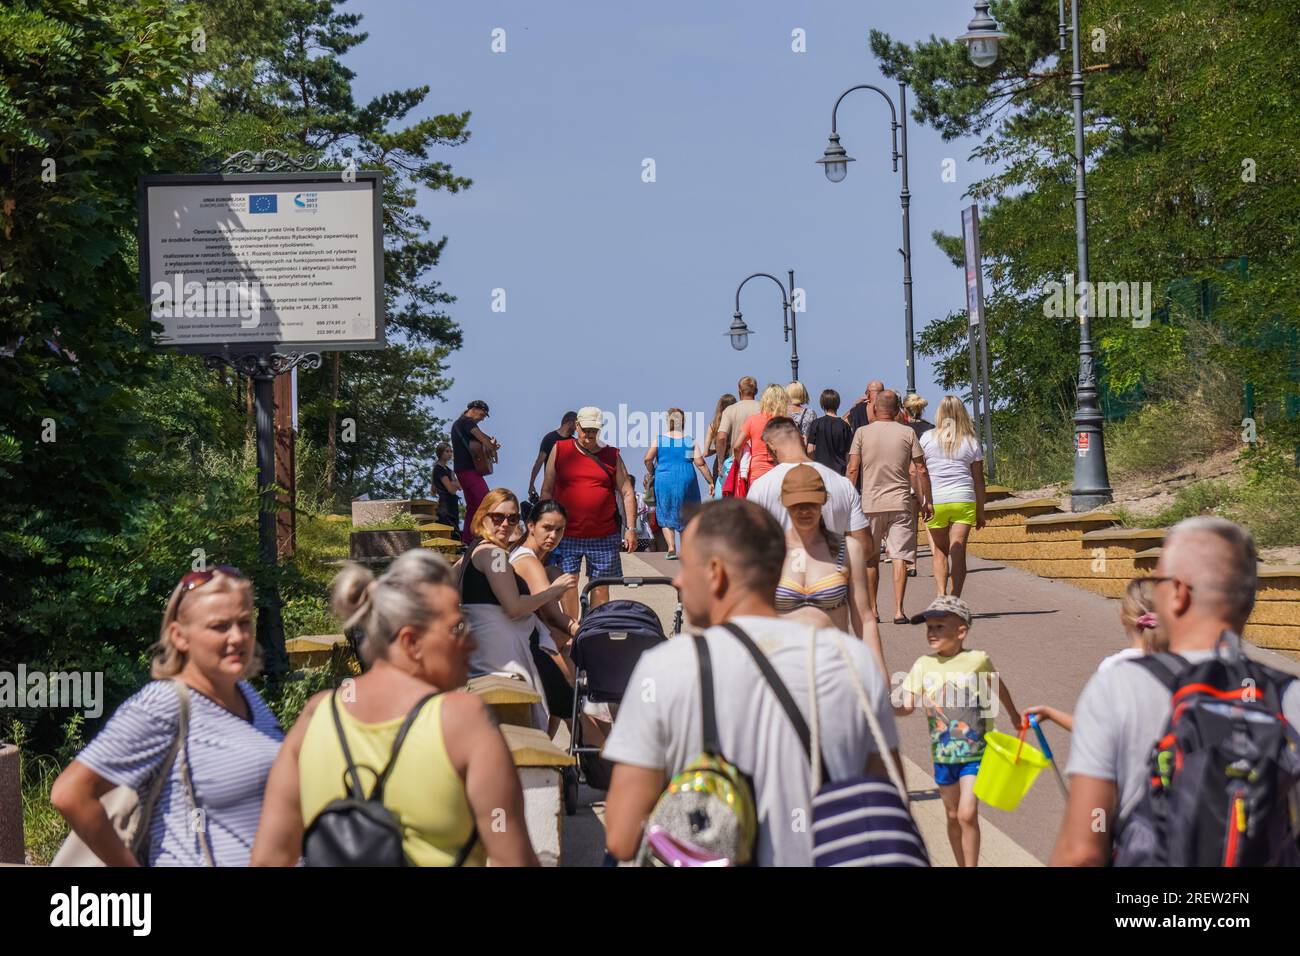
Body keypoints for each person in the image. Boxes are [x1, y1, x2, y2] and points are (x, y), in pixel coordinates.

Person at [602, 499, 903, 867]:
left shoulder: (665, 667)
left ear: (715, 572)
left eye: (685, 566)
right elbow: (889, 797)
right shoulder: (852, 660)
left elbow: (621, 836)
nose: (678, 580)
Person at [251, 549, 538, 867]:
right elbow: (513, 858)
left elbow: (270, 857)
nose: (471, 641)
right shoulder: (462, 719)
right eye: (458, 628)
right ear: (410, 642)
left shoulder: (316, 716)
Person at [1051, 518, 1300, 866]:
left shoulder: (1119, 685)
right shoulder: (1290, 696)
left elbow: (1083, 848)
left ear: (1179, 593)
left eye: (1158, 581)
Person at [52, 566, 283, 866]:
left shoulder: (247, 695)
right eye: (219, 626)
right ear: (180, 636)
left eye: (244, 622)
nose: (238, 637)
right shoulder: (165, 704)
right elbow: (70, 793)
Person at [894, 596, 1023, 868]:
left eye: (940, 627)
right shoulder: (923, 665)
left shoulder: (977, 660)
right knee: (952, 816)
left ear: (961, 631)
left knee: (967, 813)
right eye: (929, 627)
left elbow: (998, 686)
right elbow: (906, 707)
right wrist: (883, 707)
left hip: (977, 753)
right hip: (943, 755)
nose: (932, 632)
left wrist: (1013, 714)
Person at [459, 488, 577, 729]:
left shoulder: (473, 550)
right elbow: (514, 607)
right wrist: (552, 592)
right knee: (570, 705)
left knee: (564, 702)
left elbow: (445, 582)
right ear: (482, 516)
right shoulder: (496, 555)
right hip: (504, 654)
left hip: (483, 650)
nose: (506, 524)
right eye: (498, 517)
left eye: (513, 519)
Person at [775, 464, 884, 676]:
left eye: (811, 503)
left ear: (824, 499)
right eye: (797, 504)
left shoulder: (849, 550)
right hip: (783, 675)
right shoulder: (769, 552)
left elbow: (865, 619)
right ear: (784, 503)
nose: (804, 510)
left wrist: (879, 676)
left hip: (835, 670)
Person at [1025, 578, 1165, 732]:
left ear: (1122, 616)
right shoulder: (1184, 665)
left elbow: (1092, 729)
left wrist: (1049, 713)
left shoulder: (1114, 668)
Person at [541, 405, 637, 617]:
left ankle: (596, 628)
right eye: (585, 430)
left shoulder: (612, 455)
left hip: (603, 534)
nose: (589, 435)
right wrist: (543, 526)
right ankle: (573, 630)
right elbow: (547, 490)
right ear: (576, 427)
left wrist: (631, 528)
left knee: (601, 586)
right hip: (566, 533)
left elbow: (627, 492)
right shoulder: (560, 449)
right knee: (567, 584)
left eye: (594, 430)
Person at [847, 390, 934, 624]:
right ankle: (898, 610)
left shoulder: (862, 433)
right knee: (900, 556)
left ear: (875, 409)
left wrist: (847, 498)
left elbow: (853, 468)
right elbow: (920, 469)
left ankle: (873, 610)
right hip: (901, 502)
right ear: (898, 410)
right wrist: (927, 500)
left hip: (870, 503)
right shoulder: (907, 432)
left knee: (871, 558)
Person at [509, 500, 581, 732]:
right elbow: (551, 616)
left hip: (534, 637)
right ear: (531, 526)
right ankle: (591, 757)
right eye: (547, 528)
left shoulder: (542, 562)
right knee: (573, 692)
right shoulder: (529, 561)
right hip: (525, 643)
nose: (553, 536)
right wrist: (579, 631)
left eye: (559, 530)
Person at [919, 396, 986, 598]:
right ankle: (955, 596)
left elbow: (920, 471)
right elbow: (979, 480)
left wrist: (923, 501)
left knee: (939, 551)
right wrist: (980, 511)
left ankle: (941, 595)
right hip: (963, 499)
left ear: (939, 413)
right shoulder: (971, 441)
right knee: (958, 550)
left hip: (936, 499)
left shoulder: (927, 438)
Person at [643, 408, 711, 559]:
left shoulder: (660, 440)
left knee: (665, 510)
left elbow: (648, 458)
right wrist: (710, 481)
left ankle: (671, 546)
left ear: (669, 421)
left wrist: (653, 470)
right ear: (683, 422)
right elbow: (700, 463)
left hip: (664, 477)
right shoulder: (689, 441)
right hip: (686, 477)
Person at [450, 399, 500, 543]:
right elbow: (483, 440)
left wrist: (490, 447)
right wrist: (492, 446)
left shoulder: (459, 424)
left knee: (473, 507)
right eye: (483, 414)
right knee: (487, 501)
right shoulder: (467, 422)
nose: (483, 418)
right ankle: (487, 537)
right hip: (469, 471)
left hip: (461, 471)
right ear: (474, 409)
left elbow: (478, 446)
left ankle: (467, 539)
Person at [732, 382, 789, 489]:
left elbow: (737, 446)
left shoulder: (753, 420)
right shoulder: (787, 422)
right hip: (780, 472)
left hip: (757, 473)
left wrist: (742, 463)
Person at [712, 377, 760, 494]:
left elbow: (721, 437)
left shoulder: (730, 410)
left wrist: (720, 461)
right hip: (758, 464)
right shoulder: (763, 408)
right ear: (756, 391)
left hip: (736, 464)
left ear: (739, 391)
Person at [527, 411, 577, 501]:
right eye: (576, 424)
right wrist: (531, 484)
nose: (577, 428)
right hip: (551, 489)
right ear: (570, 422)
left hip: (569, 490)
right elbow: (539, 462)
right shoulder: (550, 438)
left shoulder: (575, 442)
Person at [806, 388, 854, 476]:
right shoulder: (845, 426)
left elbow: (810, 450)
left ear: (822, 404)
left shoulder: (816, 423)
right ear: (838, 404)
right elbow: (848, 455)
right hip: (839, 473)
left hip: (820, 472)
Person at [704, 393, 737, 498]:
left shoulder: (713, 426)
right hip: (734, 459)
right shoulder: (735, 424)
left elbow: (705, 452)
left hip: (719, 463)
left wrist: (717, 449)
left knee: (720, 496)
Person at [431, 443, 461, 537]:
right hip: (445, 506)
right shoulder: (439, 469)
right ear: (440, 453)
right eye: (447, 451)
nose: (450, 453)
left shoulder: (448, 470)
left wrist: (453, 483)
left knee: (454, 530)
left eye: (451, 451)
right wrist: (454, 483)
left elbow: (459, 487)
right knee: (449, 532)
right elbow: (451, 490)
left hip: (452, 504)